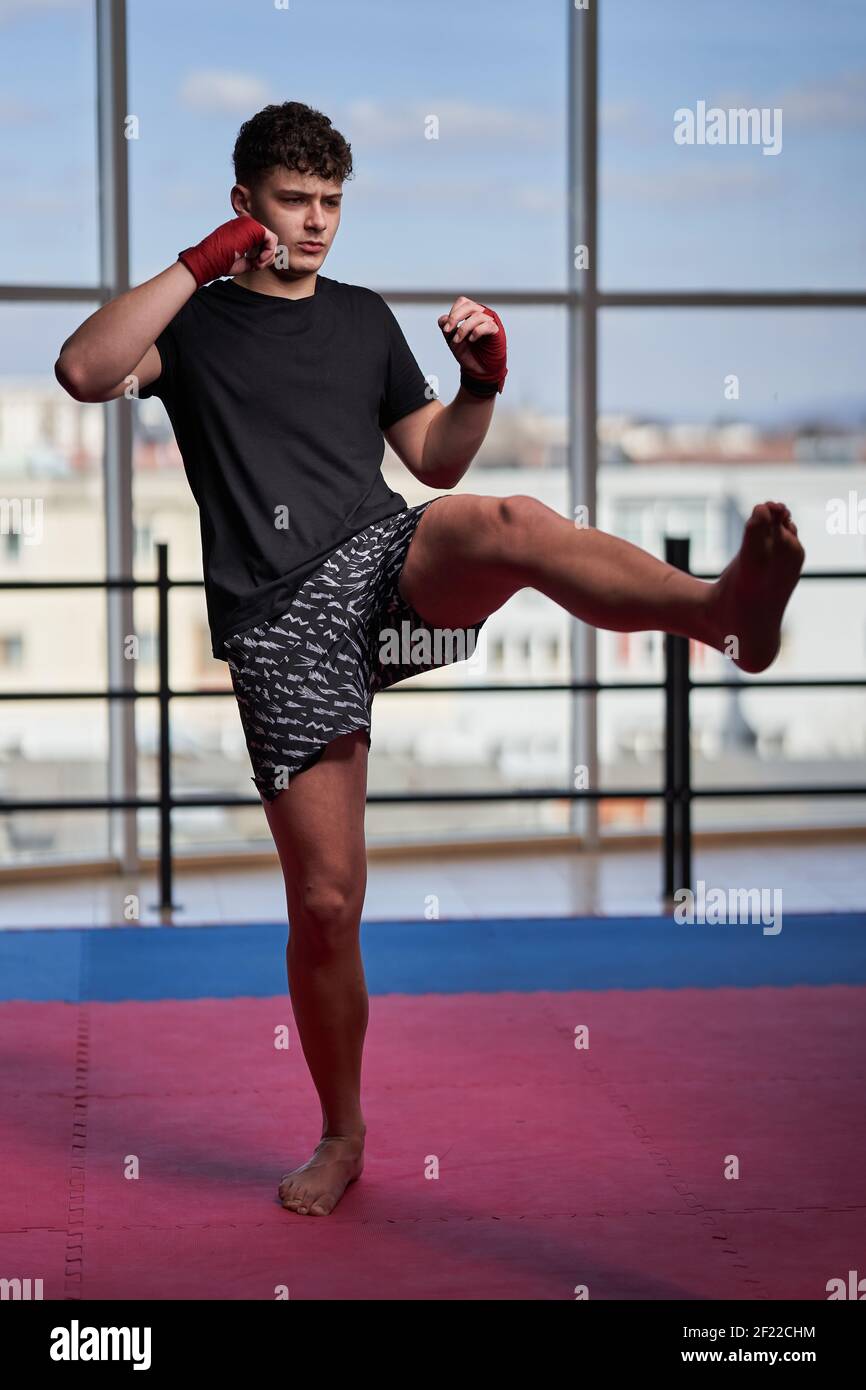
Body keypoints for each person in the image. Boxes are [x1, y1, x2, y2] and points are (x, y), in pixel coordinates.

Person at [55, 101, 804, 1218]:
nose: (314, 224)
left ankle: (718, 615)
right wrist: (195, 265)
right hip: (276, 621)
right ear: (243, 206)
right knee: (324, 898)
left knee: (501, 520)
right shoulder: (197, 326)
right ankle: (343, 1133)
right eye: (293, 202)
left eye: (330, 204)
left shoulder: (361, 320)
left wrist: (482, 389)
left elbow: (433, 465)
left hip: (381, 561)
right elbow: (81, 368)